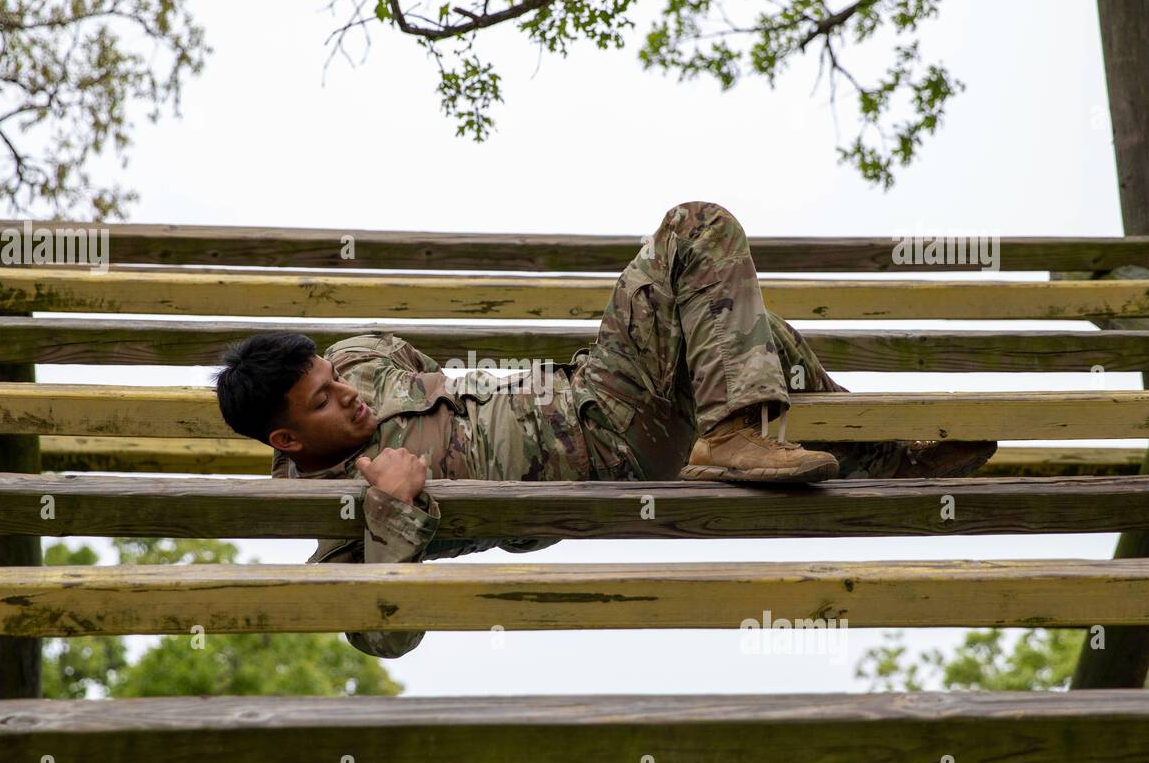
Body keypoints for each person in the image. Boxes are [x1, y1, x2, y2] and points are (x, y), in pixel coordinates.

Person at [215, 201, 996, 658]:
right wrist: (393, 514)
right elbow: (383, 641)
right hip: (598, 456)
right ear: (285, 441)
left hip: (591, 395)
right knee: (696, 228)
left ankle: (890, 459)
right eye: (322, 404)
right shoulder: (335, 523)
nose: (347, 396)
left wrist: (497, 405)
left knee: (752, 329)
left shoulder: (360, 359)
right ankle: (731, 438)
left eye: (333, 379)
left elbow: (419, 367)